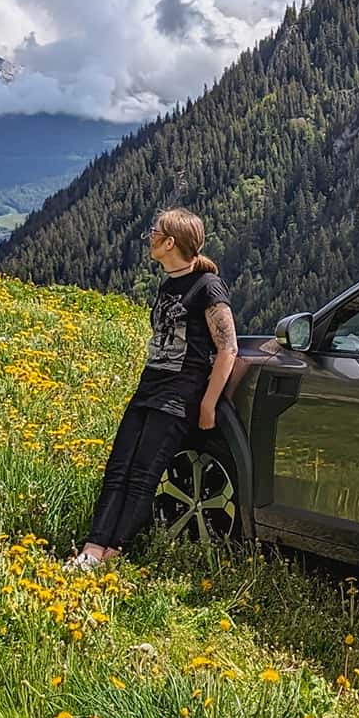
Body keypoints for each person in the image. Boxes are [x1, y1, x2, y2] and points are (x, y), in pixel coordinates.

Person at [66, 207, 238, 569]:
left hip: (179, 395)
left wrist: (208, 404)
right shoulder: (168, 283)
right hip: (149, 388)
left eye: (155, 231)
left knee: (143, 474)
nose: (150, 237)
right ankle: (92, 548)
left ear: (170, 242)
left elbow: (228, 349)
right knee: (118, 468)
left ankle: (113, 551)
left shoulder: (207, 287)